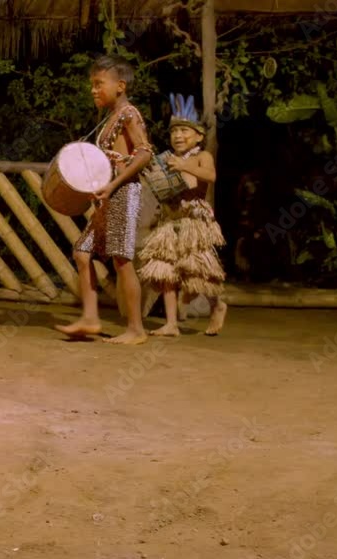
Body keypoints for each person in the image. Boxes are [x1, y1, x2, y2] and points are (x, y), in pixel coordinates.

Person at [55, 55, 152, 345]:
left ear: (120, 85)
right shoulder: (110, 117)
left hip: (124, 192)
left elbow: (145, 152)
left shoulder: (128, 114)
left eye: (99, 84)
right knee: (82, 253)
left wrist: (113, 185)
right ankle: (90, 318)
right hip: (109, 195)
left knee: (121, 260)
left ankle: (136, 329)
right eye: (92, 85)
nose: (93, 90)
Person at [138, 93, 228, 336]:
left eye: (184, 131)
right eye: (174, 132)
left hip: (193, 221)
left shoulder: (202, 156)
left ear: (198, 135)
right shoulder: (167, 159)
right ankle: (171, 323)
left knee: (200, 271)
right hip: (169, 222)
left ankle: (217, 305)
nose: (178, 136)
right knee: (167, 271)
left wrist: (184, 166)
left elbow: (210, 176)